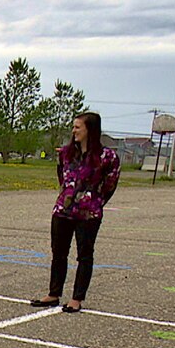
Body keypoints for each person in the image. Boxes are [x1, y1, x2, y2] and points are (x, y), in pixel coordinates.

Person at [30, 112, 120, 313]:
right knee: (58, 253)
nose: (74, 131)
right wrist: (68, 196)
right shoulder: (65, 153)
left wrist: (94, 201)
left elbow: (110, 184)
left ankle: (77, 298)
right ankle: (53, 293)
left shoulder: (108, 157)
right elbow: (61, 177)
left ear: (90, 129)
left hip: (89, 214)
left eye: (78, 127)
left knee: (85, 255)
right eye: (73, 127)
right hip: (63, 210)